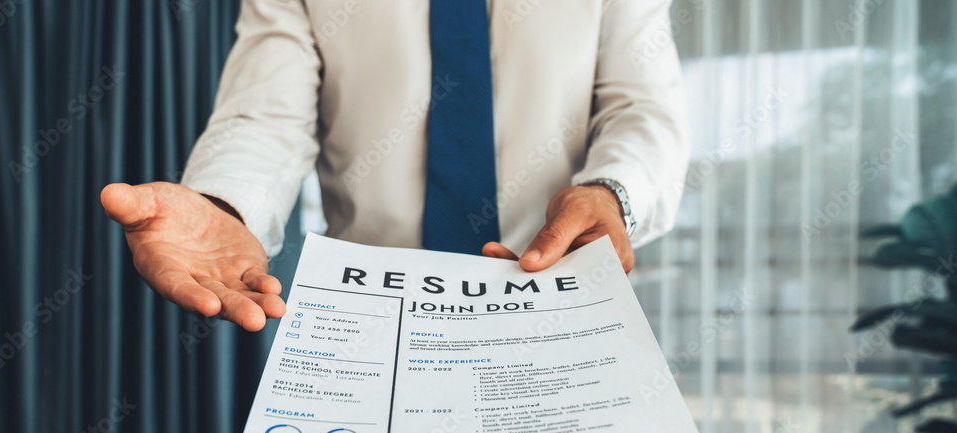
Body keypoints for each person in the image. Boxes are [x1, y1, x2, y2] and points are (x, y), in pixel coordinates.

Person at [101, 0, 689, 332]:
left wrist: (612, 193)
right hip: (373, 329)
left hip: (559, 308)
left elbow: (642, 109)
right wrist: (222, 205)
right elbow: (266, 116)